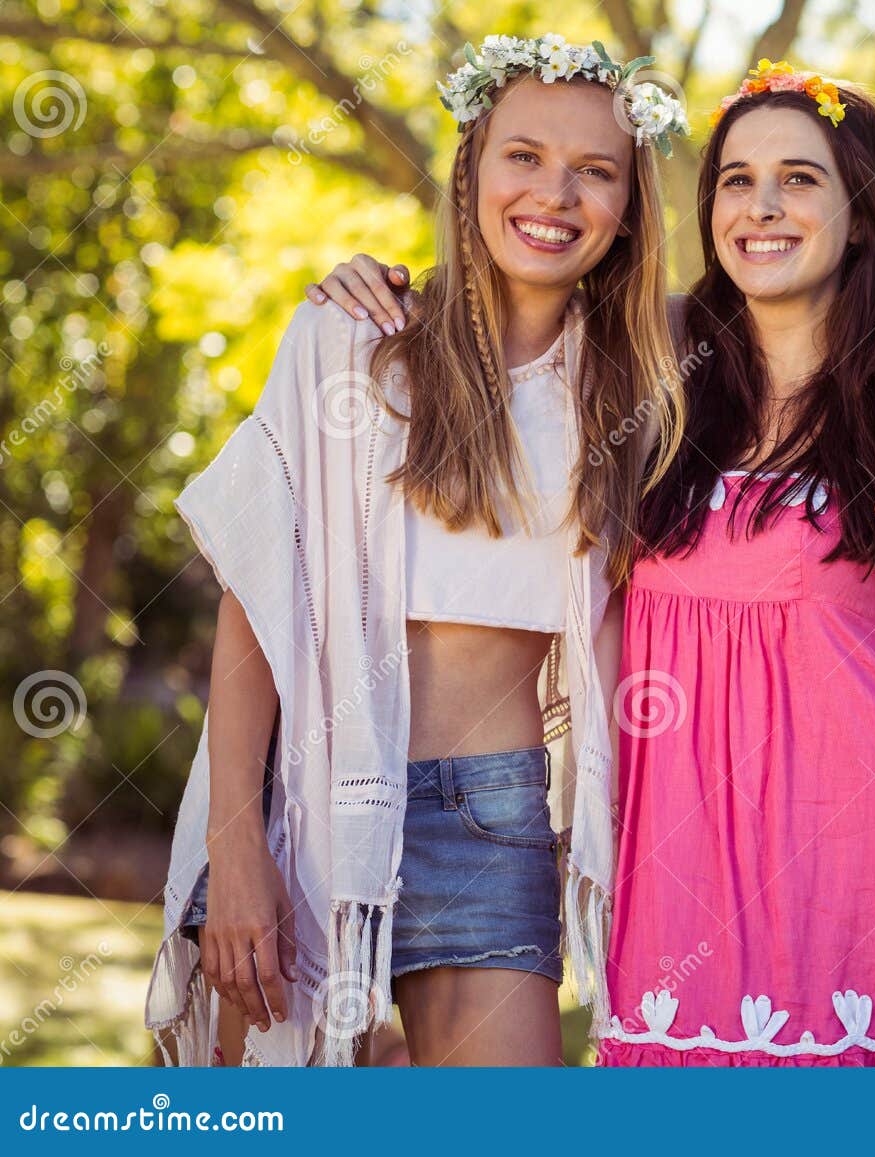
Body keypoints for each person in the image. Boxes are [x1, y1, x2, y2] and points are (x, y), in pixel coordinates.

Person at [145, 33, 691, 1066]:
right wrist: (234, 840)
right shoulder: (354, 339)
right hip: (301, 788)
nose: (555, 192)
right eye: (523, 155)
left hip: (492, 811)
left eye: (595, 171)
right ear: (470, 166)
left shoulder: (646, 379)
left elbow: (833, 328)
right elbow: (258, 604)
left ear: (628, 207)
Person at [595, 63, 875, 1066]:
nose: (760, 206)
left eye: (799, 179)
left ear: (859, 214)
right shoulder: (651, 372)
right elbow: (508, 300)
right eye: (735, 178)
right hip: (680, 896)